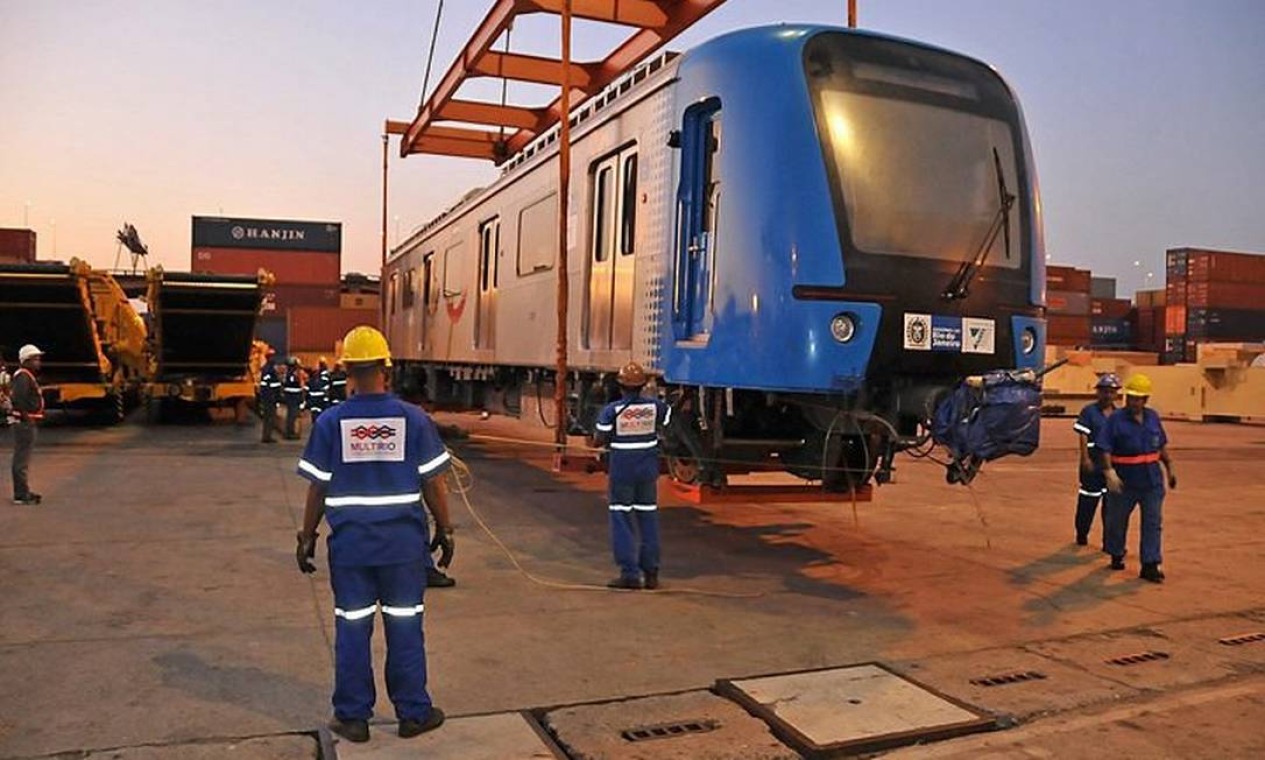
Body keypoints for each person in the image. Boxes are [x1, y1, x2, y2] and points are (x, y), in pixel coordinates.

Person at [294, 325, 455, 743]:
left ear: (347, 370)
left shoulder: (331, 422)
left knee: (352, 629)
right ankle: (413, 713)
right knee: (404, 629)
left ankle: (352, 718)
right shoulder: (412, 419)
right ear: (387, 367)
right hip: (403, 551)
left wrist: (306, 534)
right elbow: (433, 483)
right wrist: (447, 527)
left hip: (350, 551)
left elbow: (318, 487)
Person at [591, 362, 671, 590]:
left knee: (622, 519)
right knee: (648, 520)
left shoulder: (611, 411)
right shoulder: (656, 407)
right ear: (643, 385)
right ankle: (652, 573)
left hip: (622, 472)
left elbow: (598, 439)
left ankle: (630, 574)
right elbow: (668, 421)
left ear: (620, 386)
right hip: (647, 472)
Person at [1097, 373, 1177, 583]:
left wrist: (1170, 469)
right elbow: (1105, 447)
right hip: (1125, 483)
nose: (1133, 401)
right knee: (1117, 522)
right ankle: (1116, 552)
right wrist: (1109, 472)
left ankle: (1150, 564)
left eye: (1138, 398)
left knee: (1153, 523)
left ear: (1146, 400)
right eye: (1130, 397)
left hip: (1151, 482)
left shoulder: (1153, 418)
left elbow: (1160, 445)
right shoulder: (1116, 420)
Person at [1072, 373, 1121, 548]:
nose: (1108, 395)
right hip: (1093, 461)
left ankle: (1109, 541)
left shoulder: (1118, 414)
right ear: (1098, 392)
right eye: (1104, 391)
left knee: (1111, 506)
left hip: (1111, 464)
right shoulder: (1089, 411)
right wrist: (1085, 458)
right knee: (1088, 500)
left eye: (1111, 392)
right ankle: (1082, 533)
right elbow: (1083, 435)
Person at [10, 345, 46, 505]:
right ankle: (21, 494)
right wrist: (26, 417)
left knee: (22, 458)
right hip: (24, 424)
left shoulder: (25, 376)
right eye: (36, 359)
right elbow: (18, 399)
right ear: (26, 360)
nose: (39, 362)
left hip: (26, 422)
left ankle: (22, 491)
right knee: (21, 460)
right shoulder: (23, 376)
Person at [257, 349, 282, 444]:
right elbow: (270, 385)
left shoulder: (267, 368)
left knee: (268, 418)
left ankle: (267, 436)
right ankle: (267, 437)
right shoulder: (269, 369)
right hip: (270, 398)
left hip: (268, 397)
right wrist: (276, 397)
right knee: (270, 418)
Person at [282, 357, 305, 440]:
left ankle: (289, 432)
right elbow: (299, 385)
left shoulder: (287, 373)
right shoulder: (295, 374)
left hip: (289, 396)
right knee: (293, 415)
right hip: (294, 397)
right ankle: (291, 433)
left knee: (290, 415)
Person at [306, 358, 331, 424]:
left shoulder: (310, 381)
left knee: (315, 412)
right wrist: (326, 398)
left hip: (313, 399)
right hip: (321, 399)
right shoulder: (324, 376)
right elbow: (326, 388)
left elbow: (307, 390)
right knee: (321, 413)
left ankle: (316, 424)